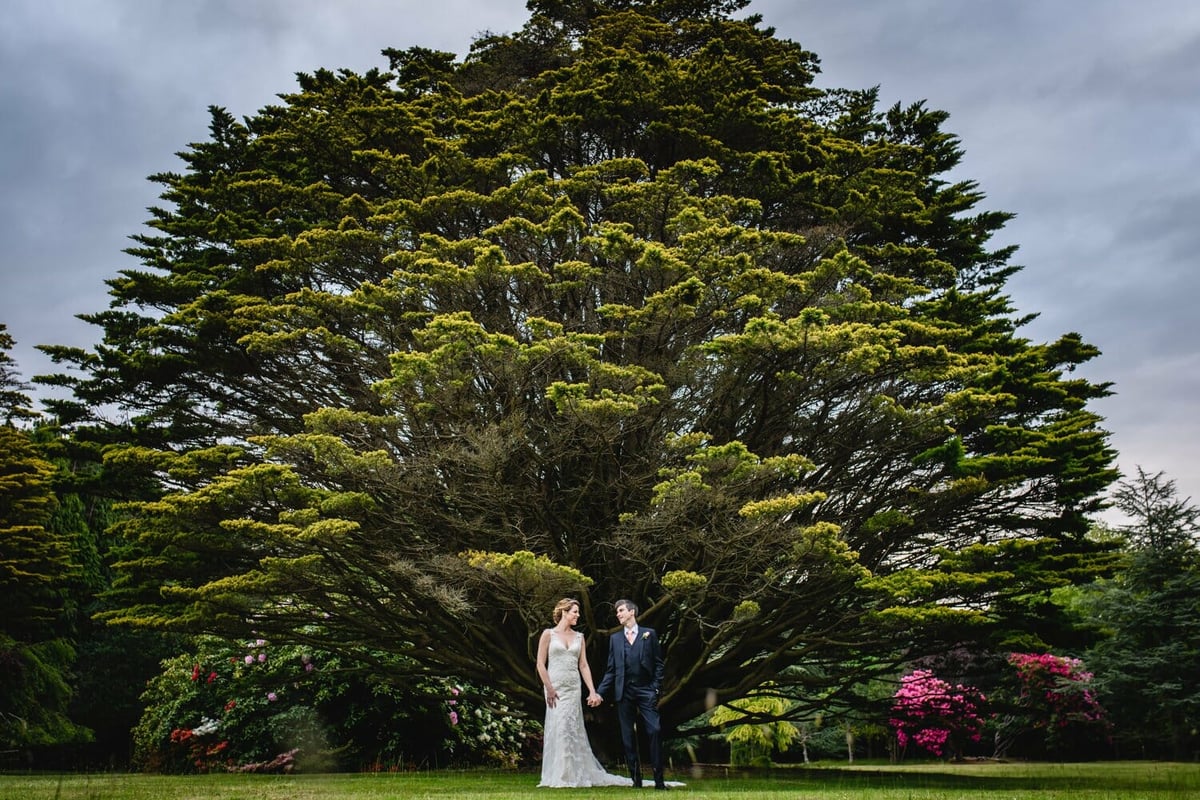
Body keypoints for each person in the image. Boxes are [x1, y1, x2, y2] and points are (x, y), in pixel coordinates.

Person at [535, 598, 632, 788]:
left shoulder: (579, 637)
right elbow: (540, 663)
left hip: (573, 688)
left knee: (571, 729)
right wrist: (549, 688)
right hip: (554, 688)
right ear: (564, 612)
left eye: (578, 612)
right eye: (575, 612)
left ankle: (571, 773)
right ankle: (560, 774)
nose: (578, 615)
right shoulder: (548, 634)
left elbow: (583, 665)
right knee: (560, 728)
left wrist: (592, 691)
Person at [591, 598, 674, 790]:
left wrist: (655, 688)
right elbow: (611, 670)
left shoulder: (649, 634)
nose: (618, 614)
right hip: (624, 693)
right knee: (628, 737)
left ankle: (659, 781)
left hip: (646, 691)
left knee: (654, 730)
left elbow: (659, 664)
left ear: (632, 612)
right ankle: (636, 780)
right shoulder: (615, 639)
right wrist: (600, 693)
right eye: (617, 612)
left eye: (621, 610)